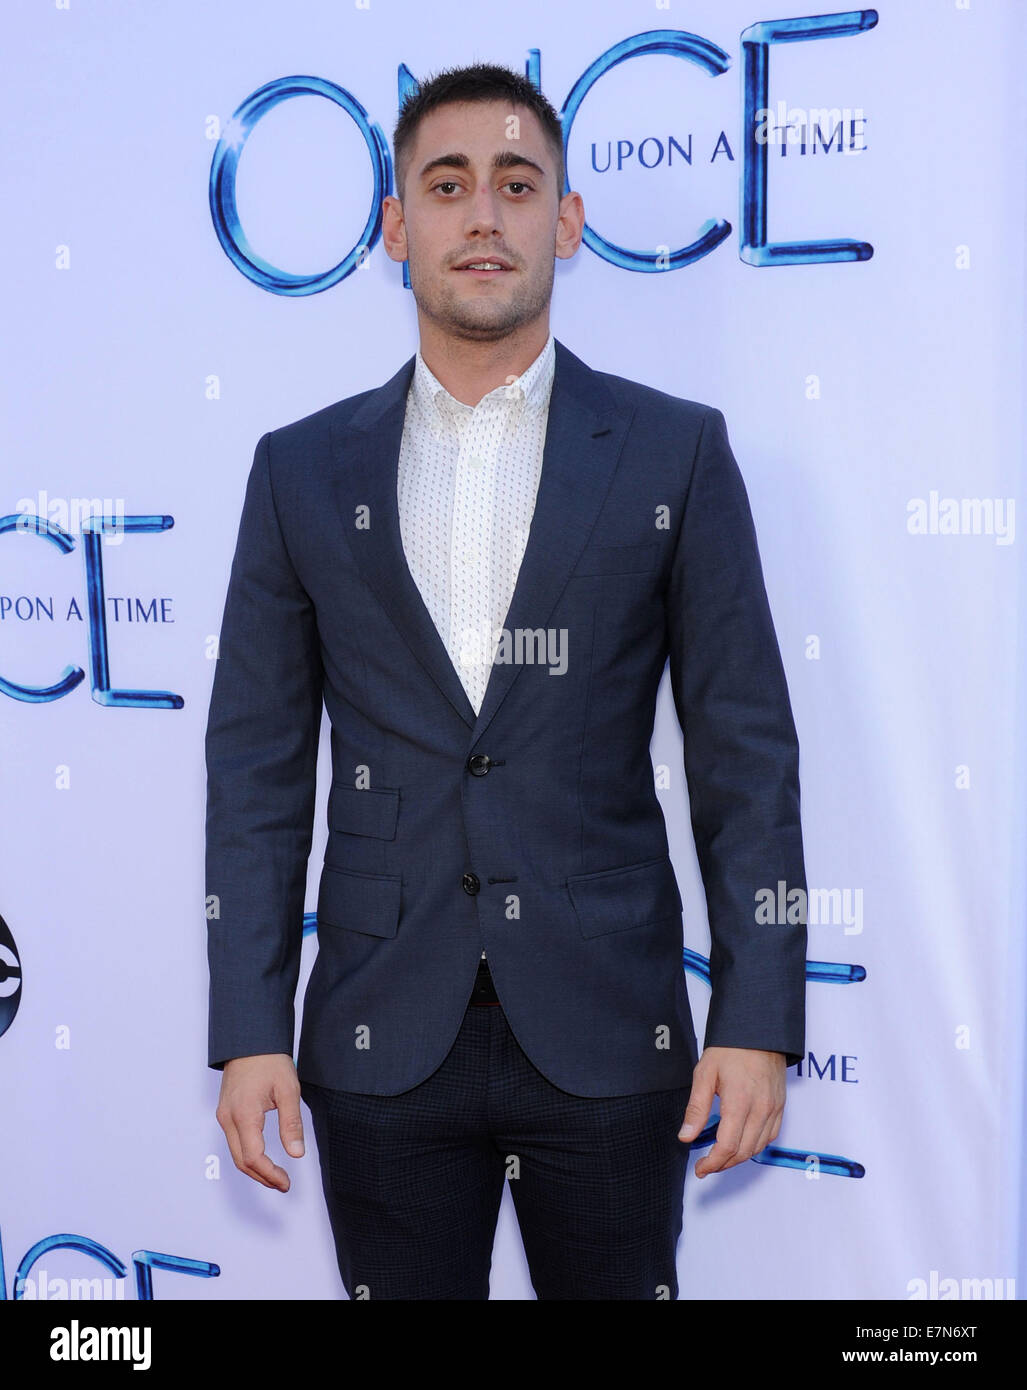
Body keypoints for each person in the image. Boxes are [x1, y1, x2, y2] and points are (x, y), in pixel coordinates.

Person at [205, 62, 808, 1301]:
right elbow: (256, 775)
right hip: (381, 1029)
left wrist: (757, 1017)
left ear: (566, 221)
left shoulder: (672, 451)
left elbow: (744, 750)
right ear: (395, 228)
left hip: (608, 1025)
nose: (483, 215)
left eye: (516, 183)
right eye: (447, 184)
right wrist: (250, 1026)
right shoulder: (299, 471)